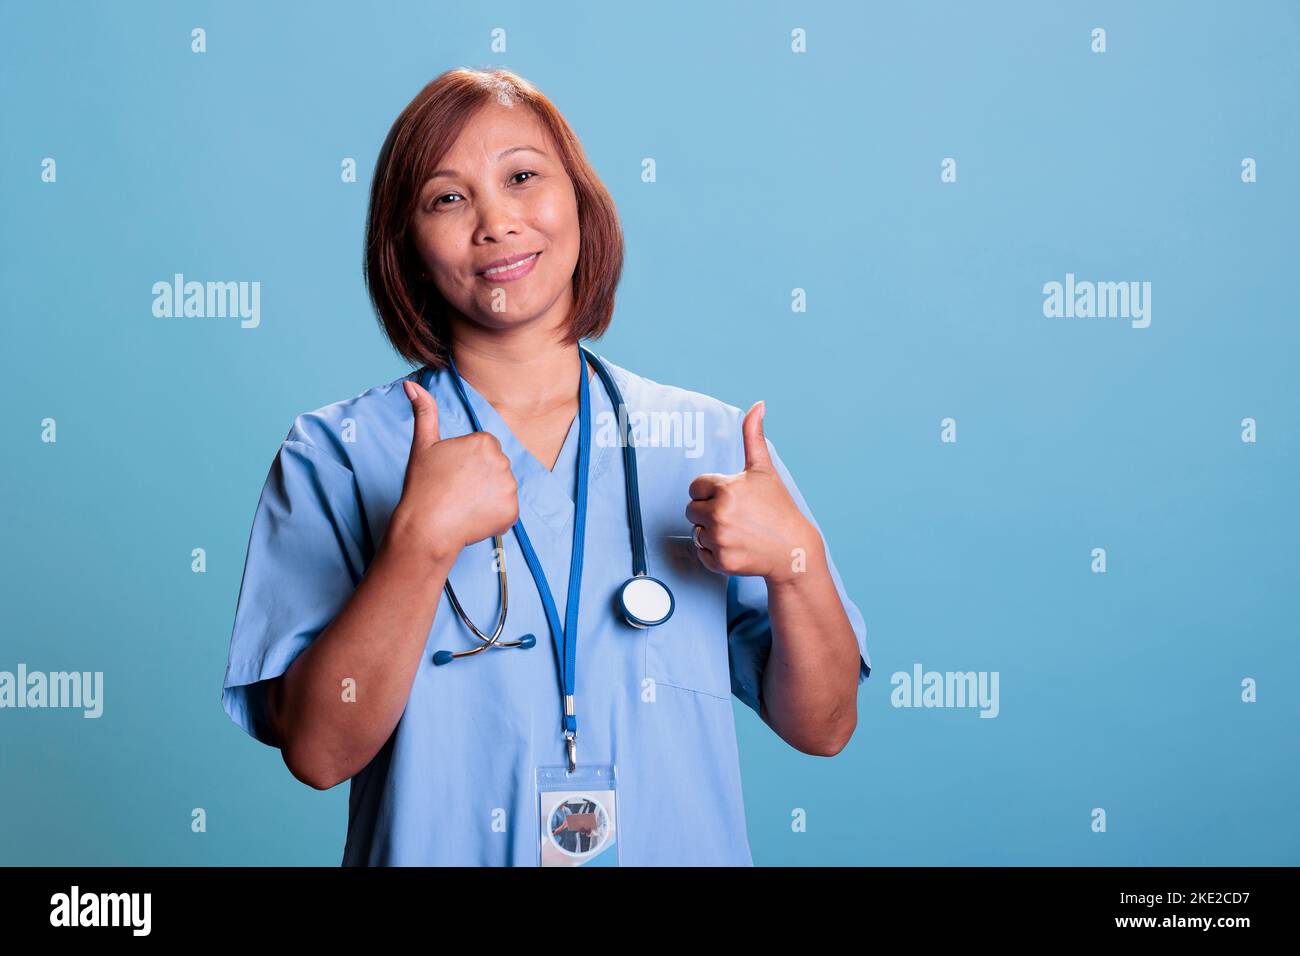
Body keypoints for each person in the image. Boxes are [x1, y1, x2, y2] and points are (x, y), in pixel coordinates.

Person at [220, 66, 871, 866]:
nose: (496, 222)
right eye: (447, 198)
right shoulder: (338, 455)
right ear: (408, 249)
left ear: (581, 205)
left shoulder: (710, 442)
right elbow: (318, 754)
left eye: (523, 177)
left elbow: (826, 726)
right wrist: (418, 546)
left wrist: (796, 567)